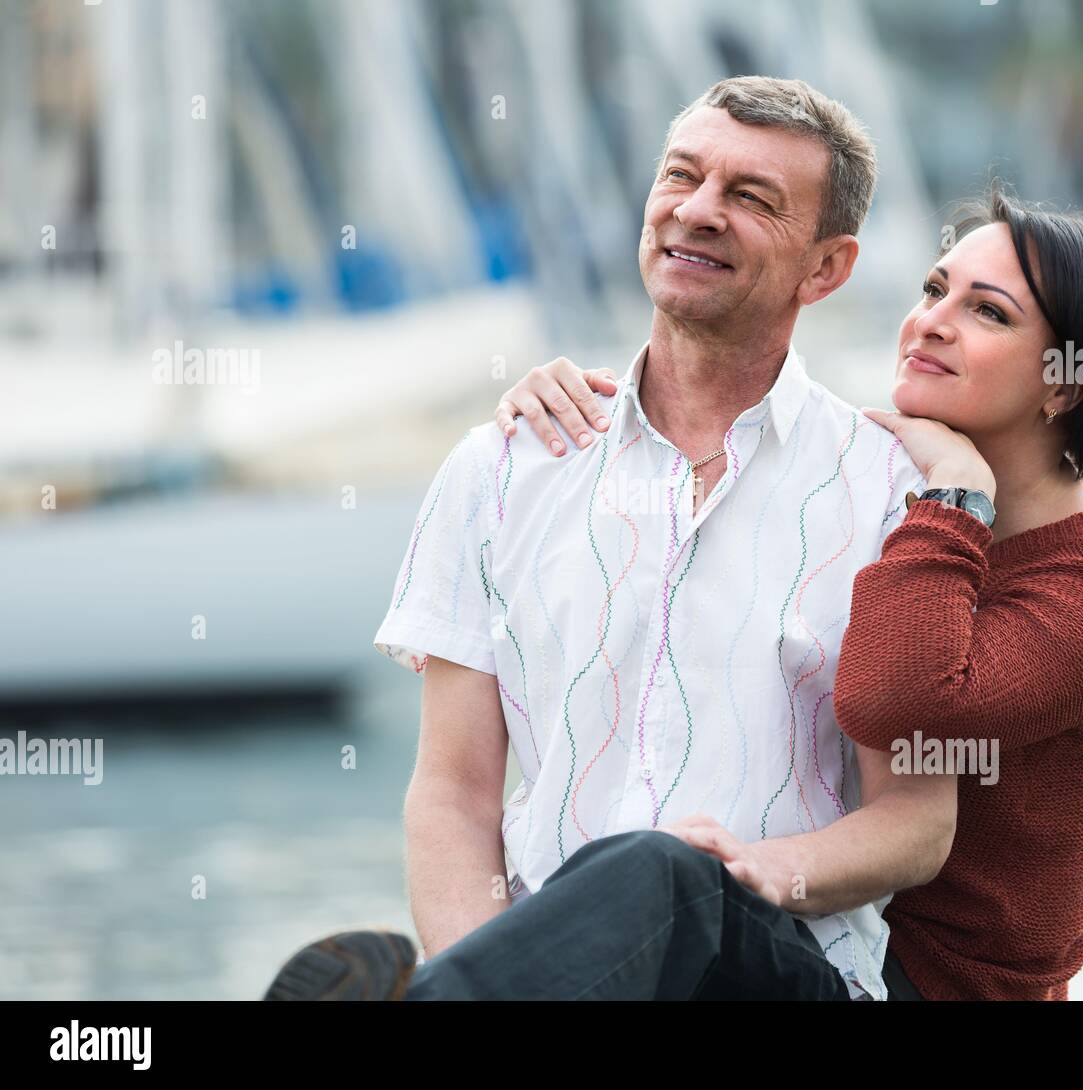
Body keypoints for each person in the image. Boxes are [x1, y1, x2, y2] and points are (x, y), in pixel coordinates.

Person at [264, 75, 952, 1003]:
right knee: (638, 886)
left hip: (782, 966)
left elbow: (915, 821)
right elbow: (454, 794)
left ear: (824, 269)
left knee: (668, 874)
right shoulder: (499, 468)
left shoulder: (887, 492)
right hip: (559, 981)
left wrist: (755, 870)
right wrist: (489, 966)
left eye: (751, 198)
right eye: (682, 177)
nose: (699, 211)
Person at [495, 186, 1083, 1000]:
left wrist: (955, 492)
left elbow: (894, 699)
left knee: (672, 878)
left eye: (987, 313)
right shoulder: (875, 481)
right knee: (643, 868)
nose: (932, 321)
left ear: (1065, 386)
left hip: (928, 986)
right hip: (816, 943)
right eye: (932, 289)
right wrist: (562, 408)